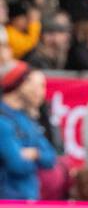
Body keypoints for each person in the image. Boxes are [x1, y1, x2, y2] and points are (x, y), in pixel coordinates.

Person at [0, 60, 56, 198]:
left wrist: (35, 154)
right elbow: (17, 165)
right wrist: (38, 159)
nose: (40, 92)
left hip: (30, 199)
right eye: (31, 82)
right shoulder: (3, 121)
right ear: (20, 84)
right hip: (9, 201)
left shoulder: (26, 118)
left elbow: (50, 157)